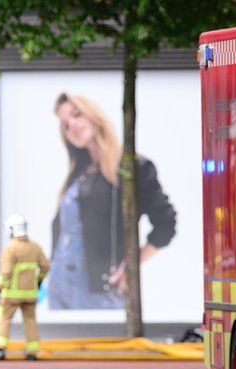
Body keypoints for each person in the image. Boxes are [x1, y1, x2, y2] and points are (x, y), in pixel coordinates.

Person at [50, 92, 176, 310]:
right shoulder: (78, 173)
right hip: (59, 287)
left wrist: (132, 265)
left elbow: (166, 223)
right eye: (65, 124)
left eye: (76, 115)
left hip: (98, 291)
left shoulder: (133, 167)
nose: (72, 125)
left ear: (92, 114)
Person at [0, 214, 50, 361]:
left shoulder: (10, 249)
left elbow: (6, 272)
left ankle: (0, 349)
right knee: (30, 321)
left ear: (11, 229)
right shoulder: (36, 248)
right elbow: (45, 267)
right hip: (30, 294)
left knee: (3, 319)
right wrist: (38, 282)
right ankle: (32, 351)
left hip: (11, 294)